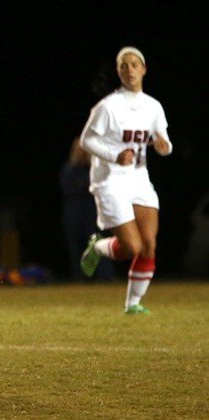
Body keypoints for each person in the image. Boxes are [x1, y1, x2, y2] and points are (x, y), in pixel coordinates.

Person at [79, 46, 173, 315]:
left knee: (149, 244)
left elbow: (165, 144)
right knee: (132, 247)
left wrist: (164, 146)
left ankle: (133, 305)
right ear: (118, 72)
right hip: (109, 181)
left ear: (144, 69)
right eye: (123, 65)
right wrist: (114, 154)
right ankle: (97, 247)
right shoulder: (108, 106)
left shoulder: (153, 106)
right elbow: (87, 140)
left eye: (134, 64)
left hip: (139, 178)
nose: (129, 69)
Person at [60, 137, 114, 281]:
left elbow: (100, 187)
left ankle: (105, 277)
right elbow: (69, 188)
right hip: (74, 212)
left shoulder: (95, 169)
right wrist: (84, 185)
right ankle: (80, 278)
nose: (81, 153)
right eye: (79, 150)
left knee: (96, 243)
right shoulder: (69, 169)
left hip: (92, 212)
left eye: (84, 149)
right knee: (75, 246)